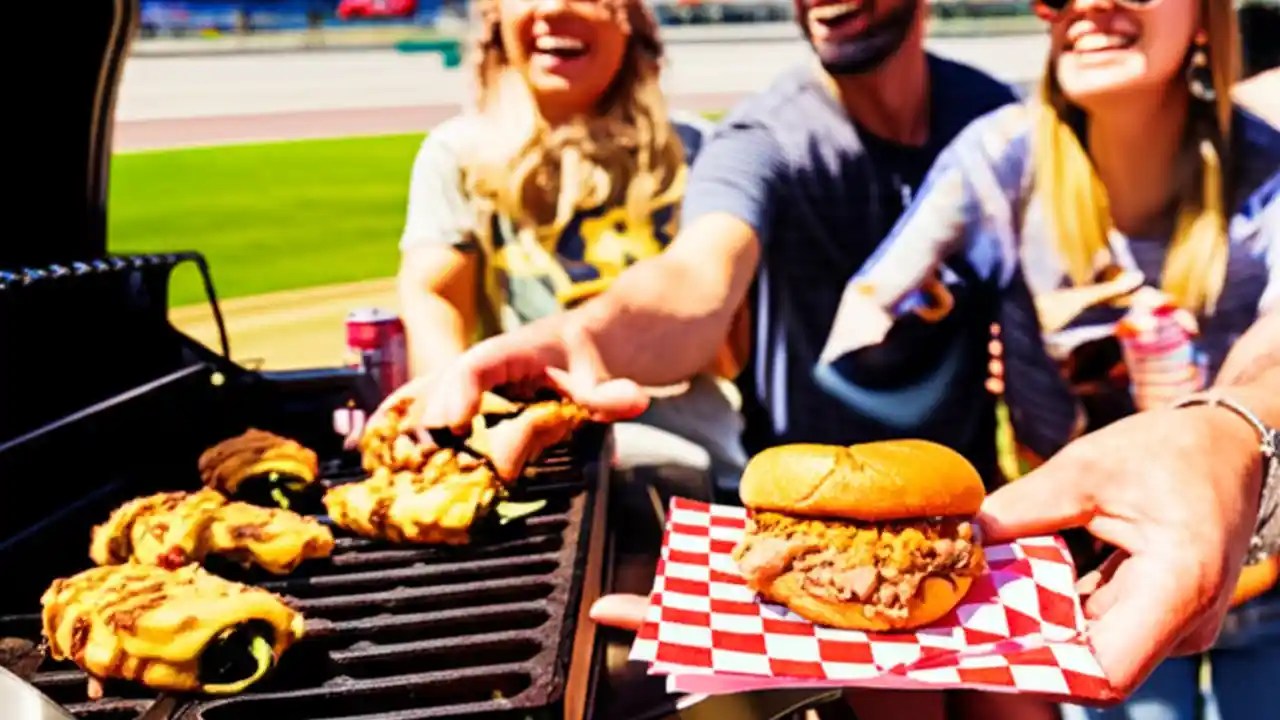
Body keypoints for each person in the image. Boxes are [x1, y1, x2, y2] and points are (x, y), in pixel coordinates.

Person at [379, 0, 1063, 716]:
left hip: (974, 514)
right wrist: (584, 339)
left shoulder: (992, 119)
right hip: (804, 528)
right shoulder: (761, 137)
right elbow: (697, 280)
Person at [814, 0, 1280, 717]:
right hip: (1090, 592)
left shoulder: (1267, 166)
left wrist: (1224, 425)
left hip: (1269, 573)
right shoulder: (1001, 159)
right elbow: (867, 316)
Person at [392, 0, 744, 491]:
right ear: (496, 19)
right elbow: (436, 296)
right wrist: (452, 422)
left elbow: (732, 339)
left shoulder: (698, 149)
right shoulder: (457, 154)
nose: (555, 7)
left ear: (630, 20)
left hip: (695, 453)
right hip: (541, 460)